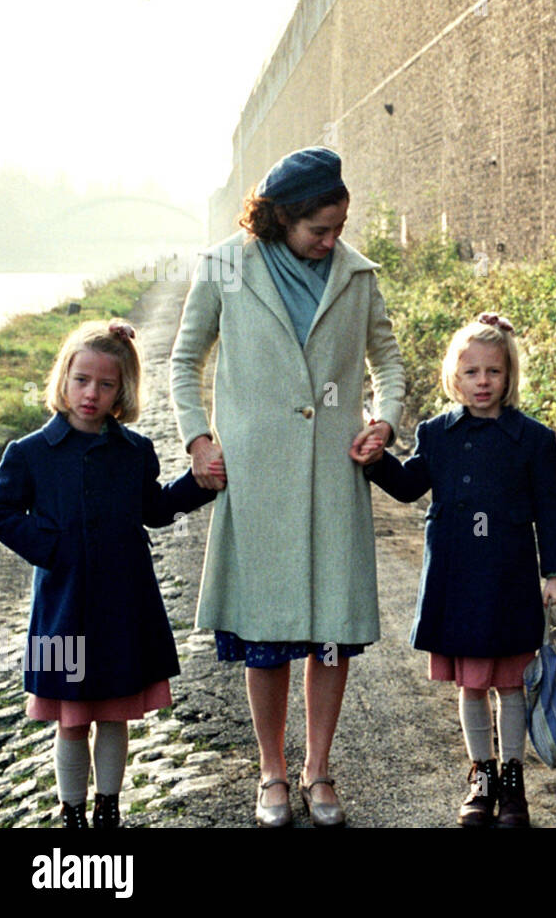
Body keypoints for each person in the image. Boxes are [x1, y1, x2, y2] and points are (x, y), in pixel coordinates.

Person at [170, 146, 405, 828]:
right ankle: (273, 772)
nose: (331, 241)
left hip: (334, 474)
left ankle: (319, 769)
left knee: (332, 630)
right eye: (318, 230)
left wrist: (384, 420)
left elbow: (386, 360)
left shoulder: (356, 274)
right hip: (258, 477)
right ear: (280, 217)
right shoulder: (224, 266)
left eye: (338, 226)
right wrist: (199, 438)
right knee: (265, 634)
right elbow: (185, 361)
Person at [0, 320, 216, 828]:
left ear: (122, 390)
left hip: (123, 602)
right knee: (70, 719)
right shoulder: (30, 453)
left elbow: (154, 509)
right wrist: (55, 549)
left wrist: (203, 484)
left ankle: (109, 807)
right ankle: (72, 812)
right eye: (82, 379)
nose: (91, 393)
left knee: (114, 711)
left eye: (105, 384)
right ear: (64, 379)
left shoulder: (135, 451)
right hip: (62, 604)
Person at [360, 313, 556, 828]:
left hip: (509, 578)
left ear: (509, 376)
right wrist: (373, 455)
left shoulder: (533, 439)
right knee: (471, 684)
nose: (483, 382)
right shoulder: (436, 434)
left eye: (493, 372)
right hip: (456, 578)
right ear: (454, 377)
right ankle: (480, 775)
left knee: (511, 683)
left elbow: (549, 511)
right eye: (472, 372)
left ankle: (513, 780)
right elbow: (410, 485)